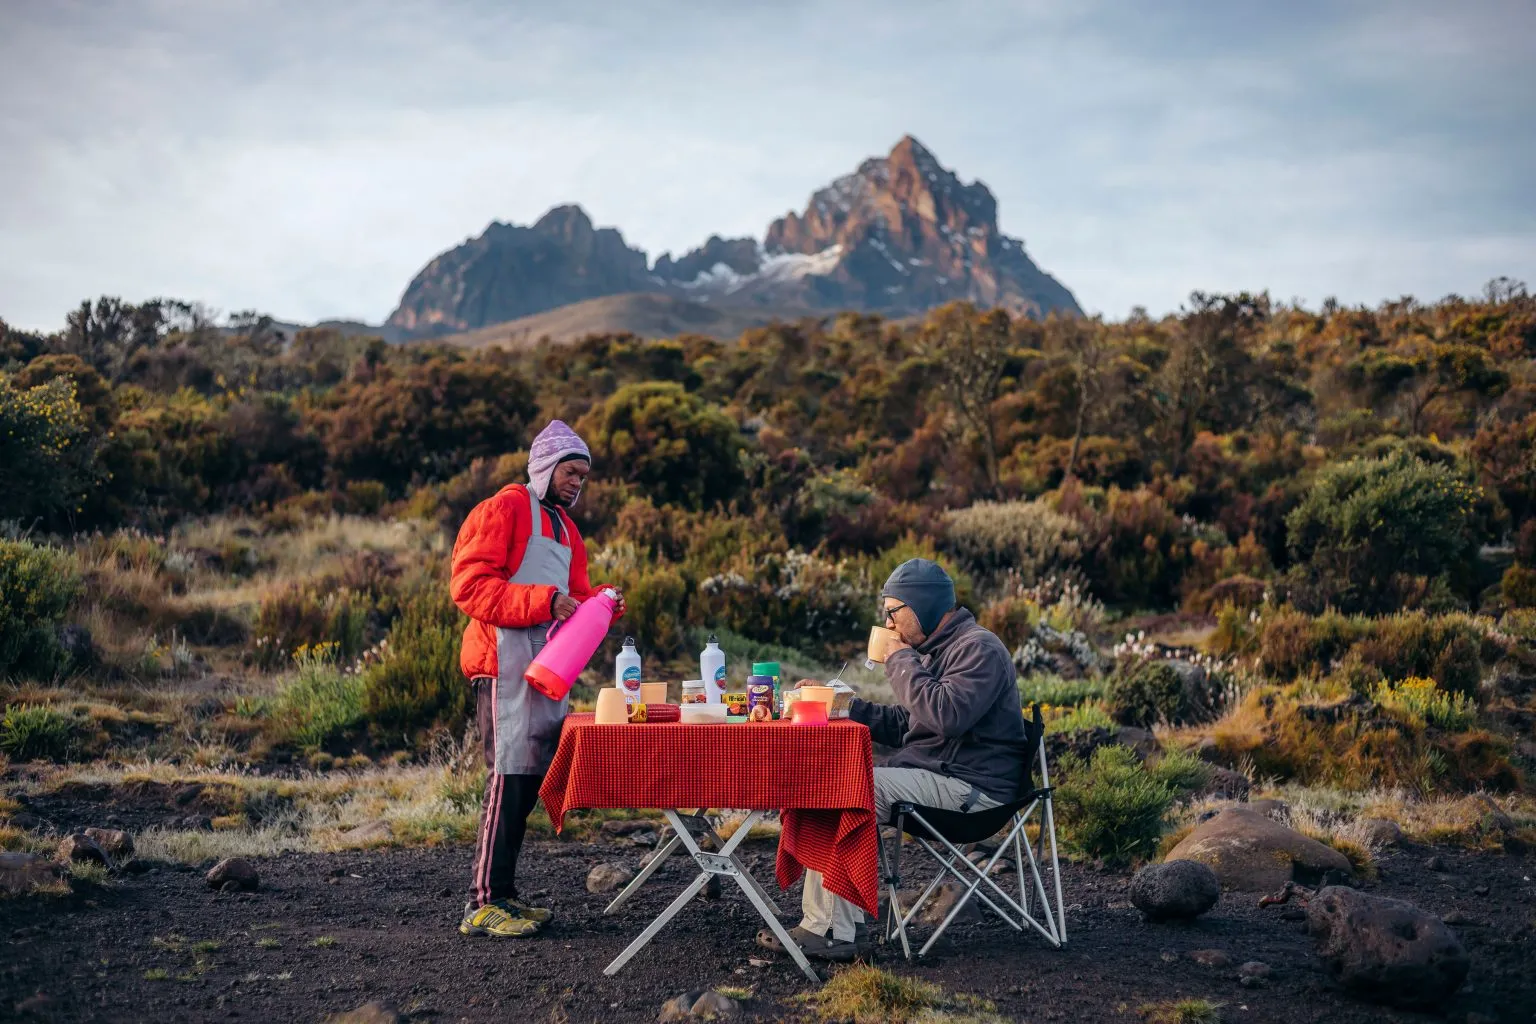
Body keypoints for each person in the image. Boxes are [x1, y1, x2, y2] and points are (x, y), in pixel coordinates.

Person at [768, 557, 1027, 961]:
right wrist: (842, 706)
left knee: (846, 787)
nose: (888, 624)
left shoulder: (979, 649)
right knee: (833, 782)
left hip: (972, 789)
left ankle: (832, 930)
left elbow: (946, 715)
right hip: (937, 775)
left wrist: (898, 659)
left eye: (892, 612)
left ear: (920, 605)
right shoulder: (937, 651)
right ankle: (837, 924)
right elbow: (909, 722)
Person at [450, 420, 623, 938]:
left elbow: (573, 597)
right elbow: (469, 585)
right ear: (544, 468)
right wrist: (544, 602)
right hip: (501, 667)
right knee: (506, 779)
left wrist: (600, 604)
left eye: (583, 477)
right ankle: (482, 903)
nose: (577, 483)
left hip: (548, 668)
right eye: (571, 472)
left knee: (525, 783)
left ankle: (502, 895)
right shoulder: (503, 509)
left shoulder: (568, 530)